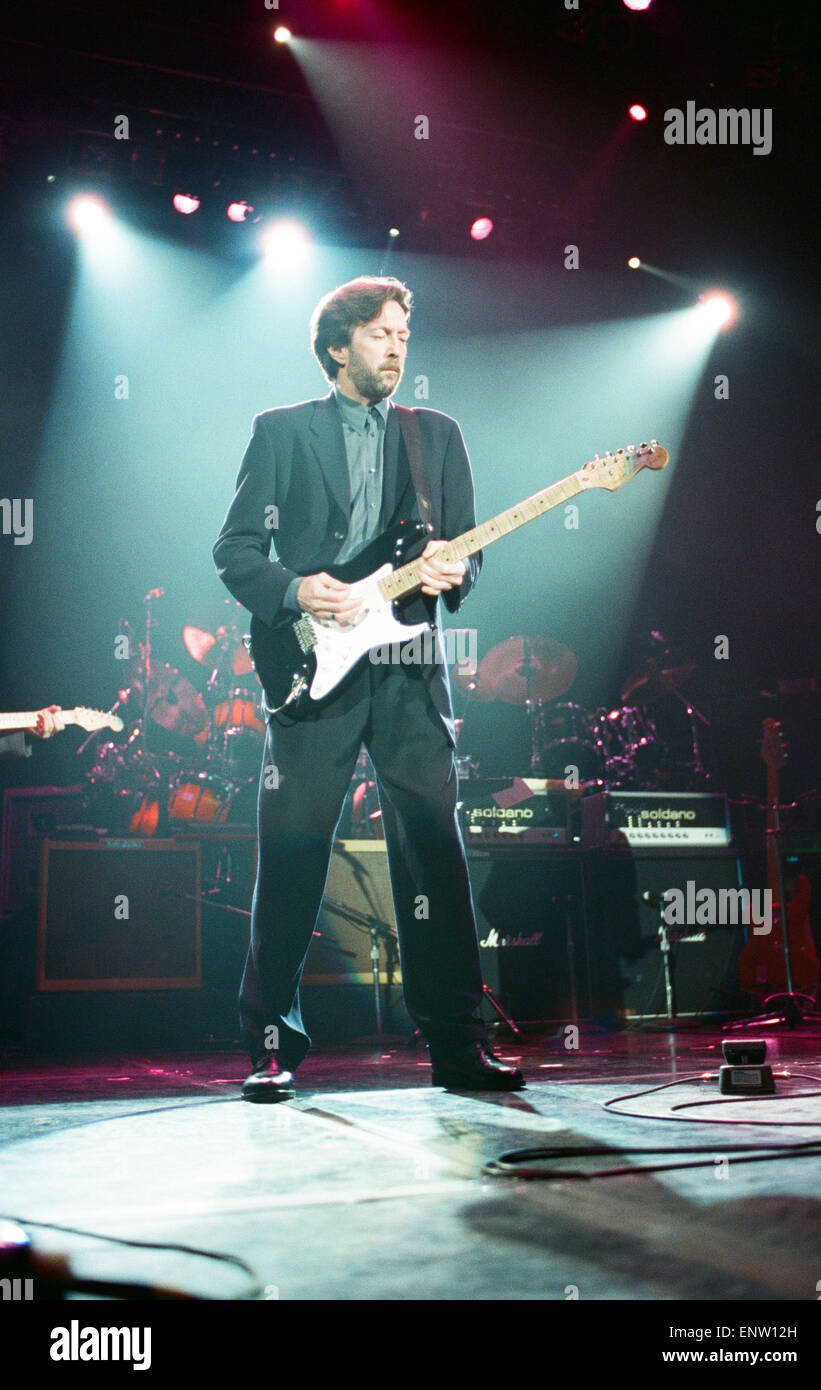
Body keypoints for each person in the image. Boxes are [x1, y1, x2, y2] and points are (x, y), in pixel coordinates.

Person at [213, 275, 524, 1099]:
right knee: (292, 849)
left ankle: (458, 1042)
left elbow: (464, 547)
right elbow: (236, 550)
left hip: (408, 665)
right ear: (336, 347)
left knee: (432, 848)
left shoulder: (435, 435)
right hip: (313, 665)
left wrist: (458, 568)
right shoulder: (279, 432)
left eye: (402, 336)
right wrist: (292, 590)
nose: (396, 347)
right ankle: (271, 1043)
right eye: (381, 334)